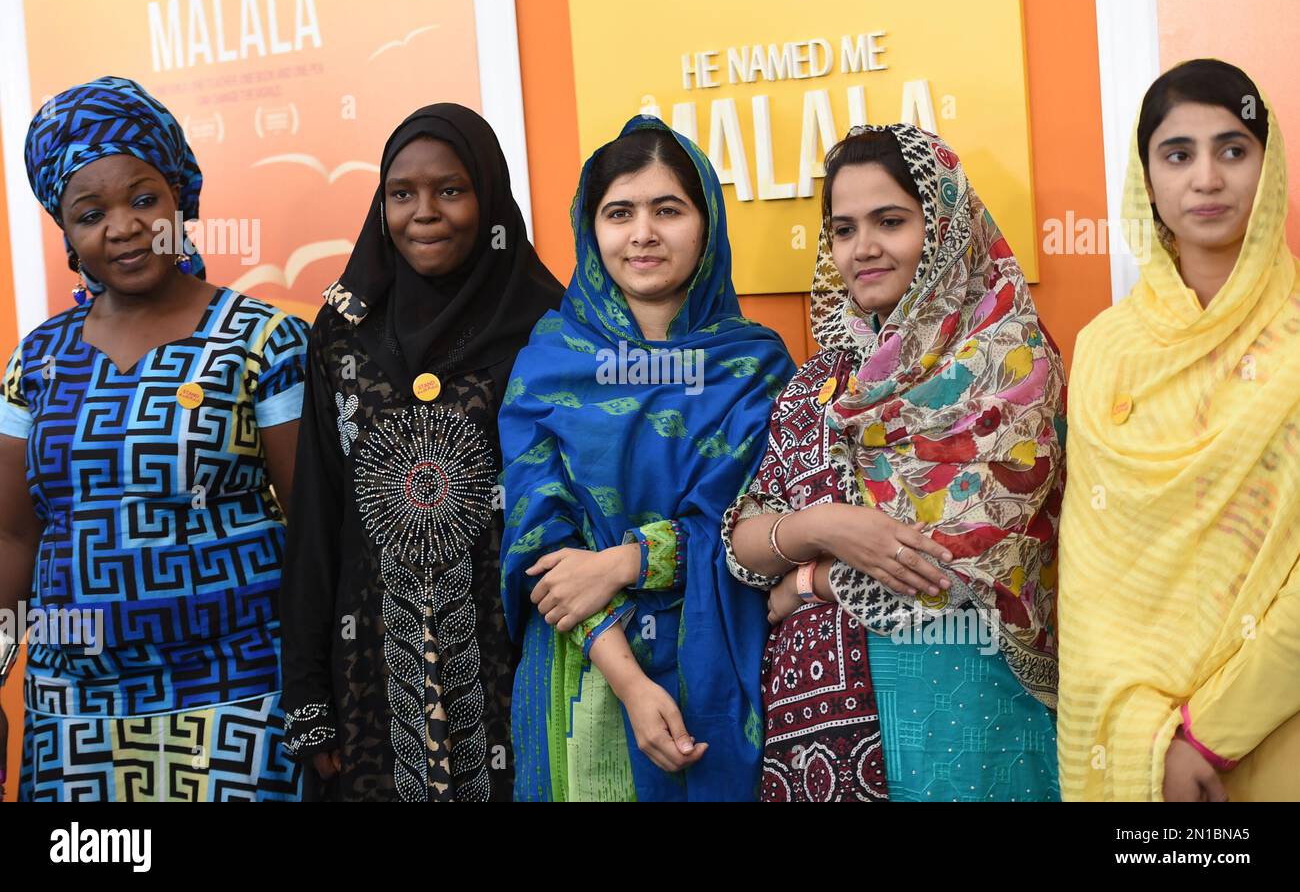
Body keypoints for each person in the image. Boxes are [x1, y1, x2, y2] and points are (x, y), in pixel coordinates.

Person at [725, 123, 1064, 801]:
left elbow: (948, 566)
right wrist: (821, 526)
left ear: (943, 227)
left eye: (890, 221)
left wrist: (809, 582)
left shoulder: (1009, 365)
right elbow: (742, 543)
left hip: (967, 713)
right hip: (817, 735)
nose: (864, 248)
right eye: (844, 229)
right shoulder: (816, 384)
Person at [0, 76, 307, 800]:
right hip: (74, 715)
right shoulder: (35, 360)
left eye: (144, 199)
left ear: (180, 199)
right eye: (90, 213)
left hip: (244, 694)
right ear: (66, 234)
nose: (124, 227)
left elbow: (317, 532)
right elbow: (13, 540)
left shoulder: (264, 340)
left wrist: (325, 698)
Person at [499, 115, 794, 801]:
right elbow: (539, 540)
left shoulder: (755, 365)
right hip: (583, 671)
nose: (642, 235)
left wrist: (623, 562)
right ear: (590, 228)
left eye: (669, 210)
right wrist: (629, 683)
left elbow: (753, 526)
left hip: (724, 666)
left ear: (708, 223)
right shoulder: (549, 362)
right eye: (619, 212)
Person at [279, 103, 563, 801]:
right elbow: (317, 517)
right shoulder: (343, 332)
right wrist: (309, 697)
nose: (424, 212)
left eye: (451, 191)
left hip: (517, 654)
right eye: (401, 194)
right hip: (370, 670)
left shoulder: (547, 326)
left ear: (491, 197)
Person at [1058, 59, 1300, 801]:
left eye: (1233, 149)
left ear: (1270, 168)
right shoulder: (1105, 348)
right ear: (1146, 180)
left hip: (1276, 724)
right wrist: (1150, 736)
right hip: (1135, 738)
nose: (1207, 178)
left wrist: (1211, 732)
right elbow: (1090, 575)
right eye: (1178, 153)